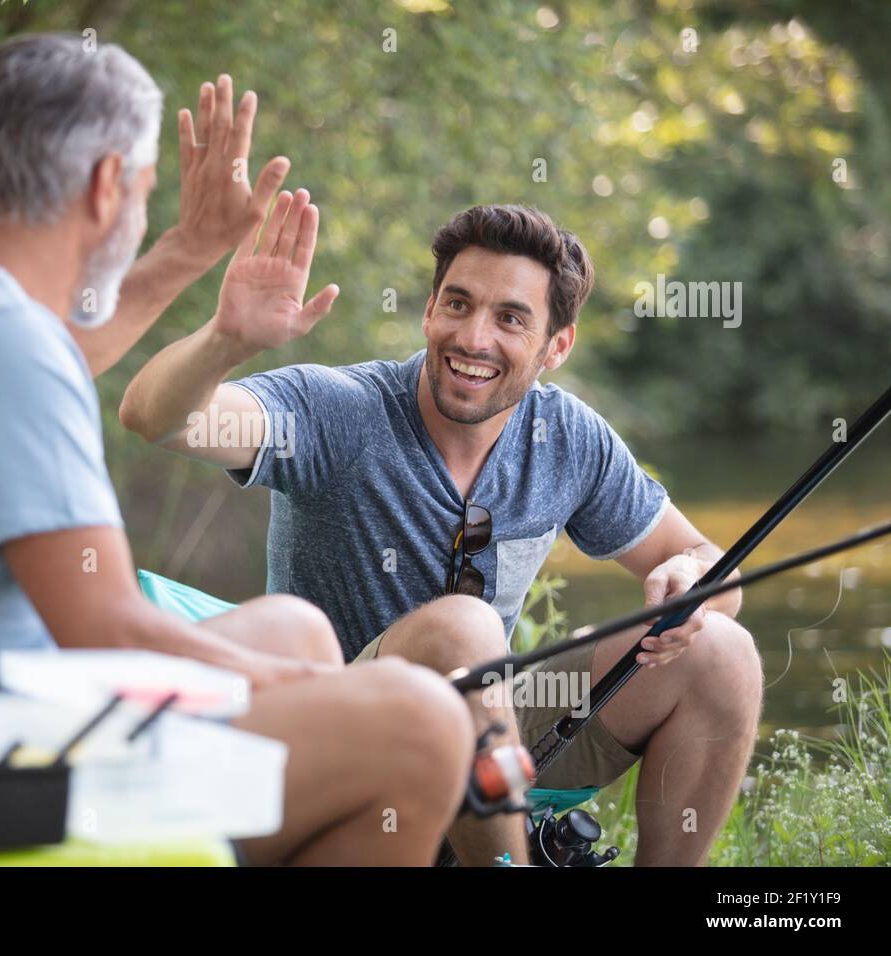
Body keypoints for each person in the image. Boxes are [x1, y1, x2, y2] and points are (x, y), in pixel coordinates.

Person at [0, 33, 475, 866]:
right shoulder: (3, 346)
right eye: (145, 192)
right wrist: (320, 694)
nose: (143, 210)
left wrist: (189, 248)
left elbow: (55, 359)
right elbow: (102, 627)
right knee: (419, 723)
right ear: (109, 184)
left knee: (292, 627)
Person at [120, 200, 763, 866]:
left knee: (722, 652)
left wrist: (693, 585)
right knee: (463, 629)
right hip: (341, 738)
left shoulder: (568, 438)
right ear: (429, 312)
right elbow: (156, 418)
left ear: (557, 347)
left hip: (492, 735)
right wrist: (228, 338)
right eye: (458, 305)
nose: (475, 338)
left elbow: (706, 562)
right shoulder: (340, 412)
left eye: (510, 318)